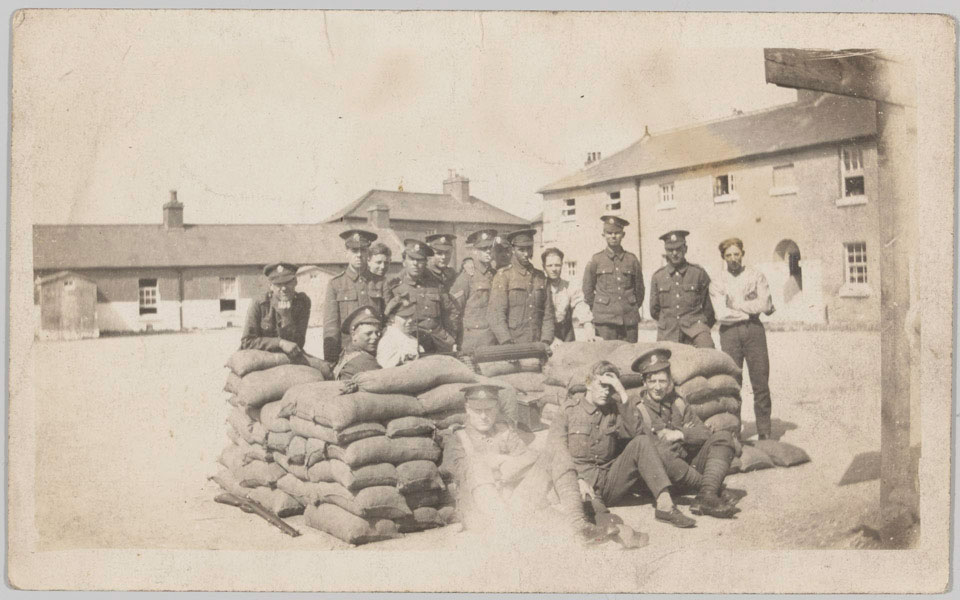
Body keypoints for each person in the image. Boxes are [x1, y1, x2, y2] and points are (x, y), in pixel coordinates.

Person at [443, 385, 630, 546]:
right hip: (482, 513)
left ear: (497, 408)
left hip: (514, 500)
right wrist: (498, 462)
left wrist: (504, 463)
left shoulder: (505, 430)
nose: (484, 416)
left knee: (556, 452)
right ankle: (507, 531)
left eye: (489, 410)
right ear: (467, 409)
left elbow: (531, 458)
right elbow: (463, 473)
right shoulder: (458, 438)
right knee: (475, 464)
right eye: (478, 411)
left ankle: (580, 526)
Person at [549, 360, 696, 529]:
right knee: (598, 518)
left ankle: (665, 506)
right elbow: (558, 452)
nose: (607, 392)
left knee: (641, 442)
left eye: (611, 388)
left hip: (610, 482)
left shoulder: (615, 409)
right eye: (602, 385)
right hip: (580, 483)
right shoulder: (569, 411)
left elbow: (638, 433)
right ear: (588, 384)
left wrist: (621, 392)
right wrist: (577, 480)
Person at [627, 348, 740, 518]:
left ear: (669, 382)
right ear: (644, 382)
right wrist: (680, 438)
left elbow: (704, 433)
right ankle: (712, 489)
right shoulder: (637, 409)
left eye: (662, 381)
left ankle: (706, 496)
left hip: (687, 472)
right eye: (652, 381)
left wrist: (680, 434)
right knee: (661, 453)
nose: (658, 387)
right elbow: (648, 451)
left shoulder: (678, 403)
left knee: (723, 437)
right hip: (661, 479)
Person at [709, 237, 776, 440]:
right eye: (728, 255)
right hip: (729, 334)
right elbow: (721, 313)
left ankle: (764, 430)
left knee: (760, 380)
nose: (733, 259)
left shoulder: (756, 275)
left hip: (754, 331)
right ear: (723, 257)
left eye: (736, 254)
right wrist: (748, 309)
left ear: (743, 254)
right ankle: (734, 430)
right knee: (732, 383)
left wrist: (736, 306)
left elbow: (765, 305)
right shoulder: (718, 281)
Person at [385, 239, 461, 353]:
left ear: (426, 263)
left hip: (440, 343)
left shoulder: (435, 284)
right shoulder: (395, 287)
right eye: (411, 259)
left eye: (420, 260)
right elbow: (388, 320)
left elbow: (450, 311)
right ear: (404, 262)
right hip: (412, 345)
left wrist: (450, 337)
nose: (415, 264)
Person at [323, 229, 383, 362]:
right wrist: (331, 360)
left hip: (378, 351)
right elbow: (331, 327)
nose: (359, 255)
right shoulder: (336, 284)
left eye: (363, 250)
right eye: (354, 251)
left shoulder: (380, 282)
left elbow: (387, 320)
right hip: (348, 353)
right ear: (347, 254)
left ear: (368, 254)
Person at [582, 216, 645, 342]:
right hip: (605, 322)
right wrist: (600, 308)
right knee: (606, 353)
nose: (613, 236)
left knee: (630, 353)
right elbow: (588, 290)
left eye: (617, 233)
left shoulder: (632, 259)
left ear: (623, 235)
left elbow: (639, 290)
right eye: (609, 233)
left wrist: (629, 306)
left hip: (628, 320)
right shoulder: (596, 260)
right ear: (603, 235)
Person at [487, 229, 555, 346]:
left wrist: (546, 341)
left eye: (529, 248)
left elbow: (548, 314)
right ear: (513, 250)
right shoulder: (504, 276)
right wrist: (506, 342)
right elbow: (496, 315)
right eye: (521, 250)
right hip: (513, 344)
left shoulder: (540, 277)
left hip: (538, 343)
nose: (526, 254)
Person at [649, 230, 716, 348]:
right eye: (670, 250)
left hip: (695, 330)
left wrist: (700, 327)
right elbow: (654, 310)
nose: (674, 253)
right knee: (660, 357)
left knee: (708, 350)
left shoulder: (698, 273)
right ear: (666, 251)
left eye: (678, 249)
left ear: (685, 249)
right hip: (668, 332)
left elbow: (709, 309)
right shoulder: (658, 277)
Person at [241, 262, 312, 358]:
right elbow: (247, 341)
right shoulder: (260, 303)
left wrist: (286, 318)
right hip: (259, 356)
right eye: (278, 284)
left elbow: (299, 343)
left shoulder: (302, 303)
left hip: (289, 356)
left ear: (295, 281)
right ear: (271, 286)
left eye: (288, 282)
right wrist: (279, 343)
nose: (284, 288)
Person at [449, 229, 499, 353]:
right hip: (472, 342)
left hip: (493, 339)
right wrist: (452, 340)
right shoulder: (467, 276)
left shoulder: (495, 274)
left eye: (490, 248)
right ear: (475, 251)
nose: (488, 251)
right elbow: (454, 311)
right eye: (483, 248)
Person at [541, 247, 597, 346]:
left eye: (557, 265)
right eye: (550, 265)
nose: (554, 269)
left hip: (566, 333)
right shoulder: (540, 288)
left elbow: (580, 304)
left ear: (562, 265)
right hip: (545, 334)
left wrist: (588, 327)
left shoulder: (570, 286)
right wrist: (551, 339)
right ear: (544, 267)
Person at [333, 306, 383, 380]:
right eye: (368, 334)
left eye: (377, 333)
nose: (375, 337)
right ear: (354, 335)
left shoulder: (347, 351)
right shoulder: (365, 361)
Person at [376, 295, 424, 368]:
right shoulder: (388, 341)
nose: (410, 320)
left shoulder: (408, 337)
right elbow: (387, 370)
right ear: (392, 318)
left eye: (411, 316)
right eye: (405, 317)